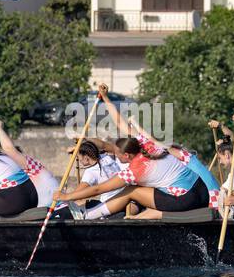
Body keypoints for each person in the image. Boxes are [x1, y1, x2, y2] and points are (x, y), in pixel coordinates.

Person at [62, 87, 209, 220]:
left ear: (127, 156)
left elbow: (98, 189)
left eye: (117, 153)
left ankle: (87, 215)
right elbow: (120, 123)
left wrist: (66, 196)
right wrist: (106, 98)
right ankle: (142, 215)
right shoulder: (145, 143)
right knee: (145, 190)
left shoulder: (134, 171)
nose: (114, 153)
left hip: (187, 199)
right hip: (202, 191)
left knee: (132, 191)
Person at [0, 119, 65, 210]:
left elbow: (9, 149)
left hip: (56, 211)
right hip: (42, 212)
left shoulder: (32, 167)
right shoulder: (12, 178)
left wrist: (0, 128)